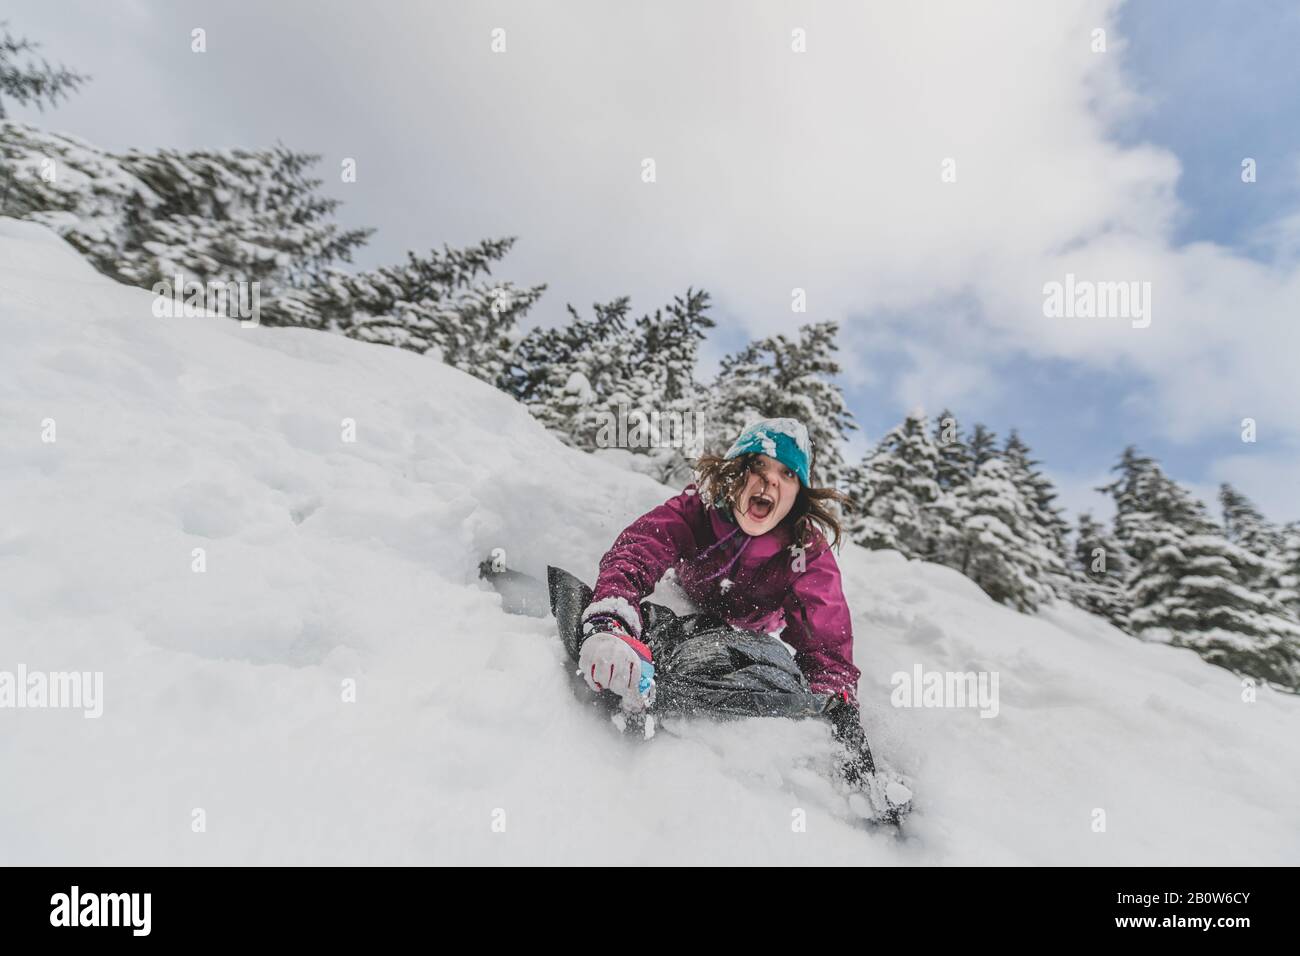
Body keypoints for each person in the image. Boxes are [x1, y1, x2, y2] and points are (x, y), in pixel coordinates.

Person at [578, 417, 872, 775]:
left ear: (797, 496)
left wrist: (835, 708)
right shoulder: (695, 511)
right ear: (735, 472)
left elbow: (826, 642)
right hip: (689, 599)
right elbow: (638, 551)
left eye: (787, 474)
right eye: (759, 465)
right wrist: (610, 619)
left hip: (752, 631)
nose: (770, 480)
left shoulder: (805, 552)